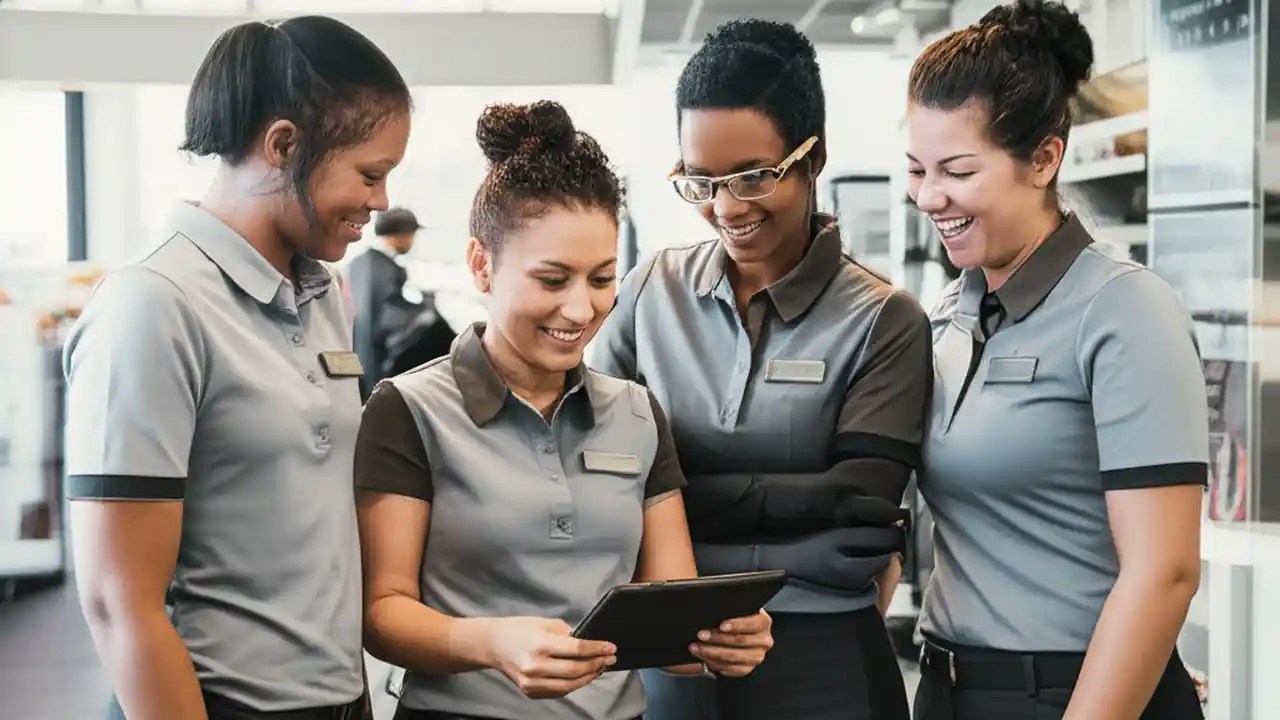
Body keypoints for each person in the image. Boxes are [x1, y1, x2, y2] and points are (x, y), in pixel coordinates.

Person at [354, 100, 774, 720]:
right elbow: (382, 612)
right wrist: (490, 643)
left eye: (602, 279)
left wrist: (718, 642)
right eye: (552, 280)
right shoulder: (410, 409)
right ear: (482, 265)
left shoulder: (636, 413)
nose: (580, 310)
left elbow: (669, 613)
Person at [63, 16, 411, 720]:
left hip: (343, 698)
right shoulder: (154, 305)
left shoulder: (320, 293)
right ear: (283, 145)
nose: (379, 203)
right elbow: (116, 602)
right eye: (369, 175)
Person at [590, 19, 932, 720]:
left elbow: (864, 507)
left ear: (815, 158)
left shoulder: (884, 319)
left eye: (754, 176)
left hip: (822, 654)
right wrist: (806, 511)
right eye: (701, 180)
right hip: (670, 650)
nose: (725, 207)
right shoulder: (651, 291)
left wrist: (673, 491)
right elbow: (599, 473)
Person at [906, 2, 1208, 718]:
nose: (929, 196)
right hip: (949, 692)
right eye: (917, 170)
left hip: (1075, 696)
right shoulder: (949, 315)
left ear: (1044, 158)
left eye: (957, 170)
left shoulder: (1125, 310)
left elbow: (1163, 571)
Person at [347, 207, 433, 399]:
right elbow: (390, 317)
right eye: (412, 235)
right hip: (379, 365)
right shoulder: (388, 269)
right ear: (401, 236)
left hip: (356, 365)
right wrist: (426, 311)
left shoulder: (356, 265)